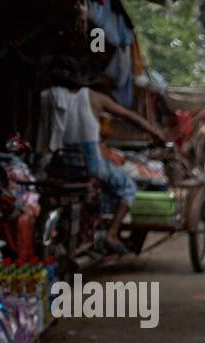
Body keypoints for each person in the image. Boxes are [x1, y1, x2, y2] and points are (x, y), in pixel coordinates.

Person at [37, 57, 169, 254]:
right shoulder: (92, 97)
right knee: (128, 186)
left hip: (59, 166)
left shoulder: (48, 97)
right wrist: (155, 132)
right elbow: (127, 115)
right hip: (90, 167)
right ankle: (112, 234)